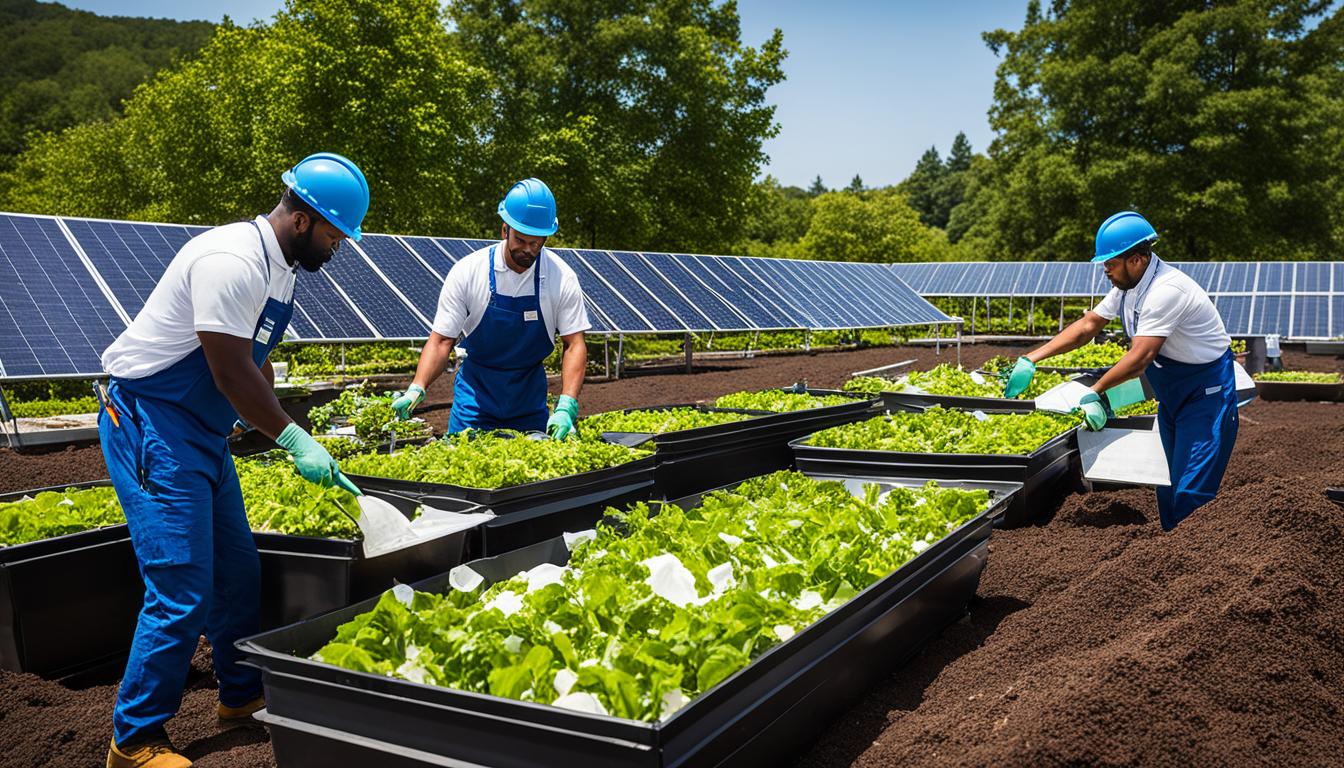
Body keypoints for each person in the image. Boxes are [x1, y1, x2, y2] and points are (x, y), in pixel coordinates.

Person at [98, 153, 368, 768]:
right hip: (152, 423)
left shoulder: (281, 268)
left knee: (239, 572)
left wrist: (287, 427)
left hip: (202, 434)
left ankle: (241, 697)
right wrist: (290, 438)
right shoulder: (232, 260)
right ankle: (133, 739)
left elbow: (254, 360)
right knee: (180, 586)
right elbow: (226, 368)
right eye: (334, 236)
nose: (337, 248)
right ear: (303, 220)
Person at [1002, 211, 1237, 531]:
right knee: (1168, 484)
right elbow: (1088, 326)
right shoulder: (1128, 287)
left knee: (1191, 492)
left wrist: (1095, 392)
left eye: (1110, 263)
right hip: (1173, 395)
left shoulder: (1167, 290)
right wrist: (1032, 358)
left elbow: (1141, 357)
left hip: (1206, 396)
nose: (1105, 270)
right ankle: (1172, 549)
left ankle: (1198, 556)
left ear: (1137, 260)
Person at [391, 178, 590, 437]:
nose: (528, 250)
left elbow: (574, 344)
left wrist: (567, 405)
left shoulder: (561, 277)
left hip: (529, 401)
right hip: (475, 400)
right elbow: (441, 341)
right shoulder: (469, 272)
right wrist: (417, 387)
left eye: (536, 243)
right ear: (504, 230)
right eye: (521, 240)